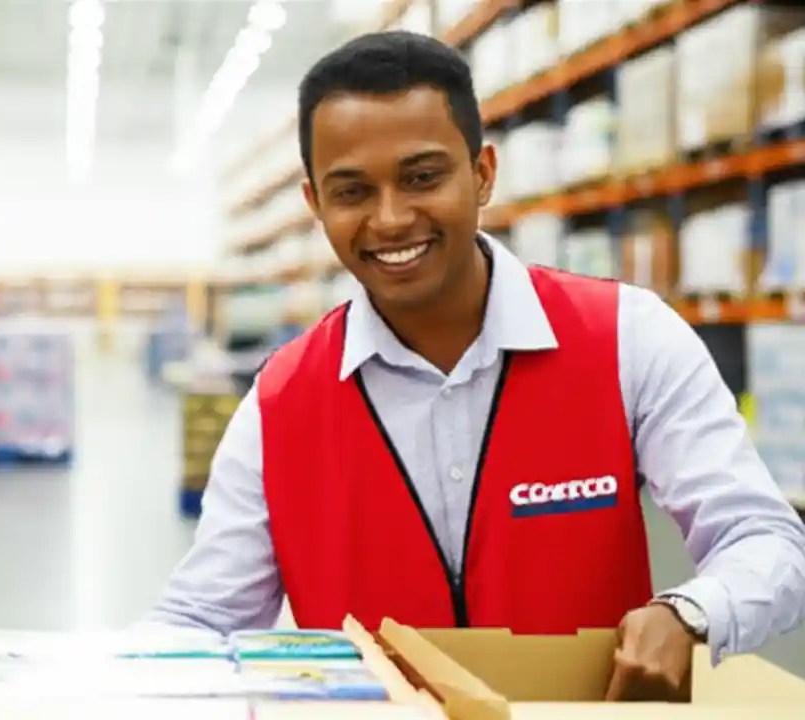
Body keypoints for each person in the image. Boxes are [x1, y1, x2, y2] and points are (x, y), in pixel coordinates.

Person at [146, 31, 805, 701]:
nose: (392, 218)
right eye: (352, 193)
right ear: (315, 205)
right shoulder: (280, 405)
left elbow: (766, 540)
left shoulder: (626, 340)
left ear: (483, 173)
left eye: (422, 177)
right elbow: (202, 621)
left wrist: (688, 615)